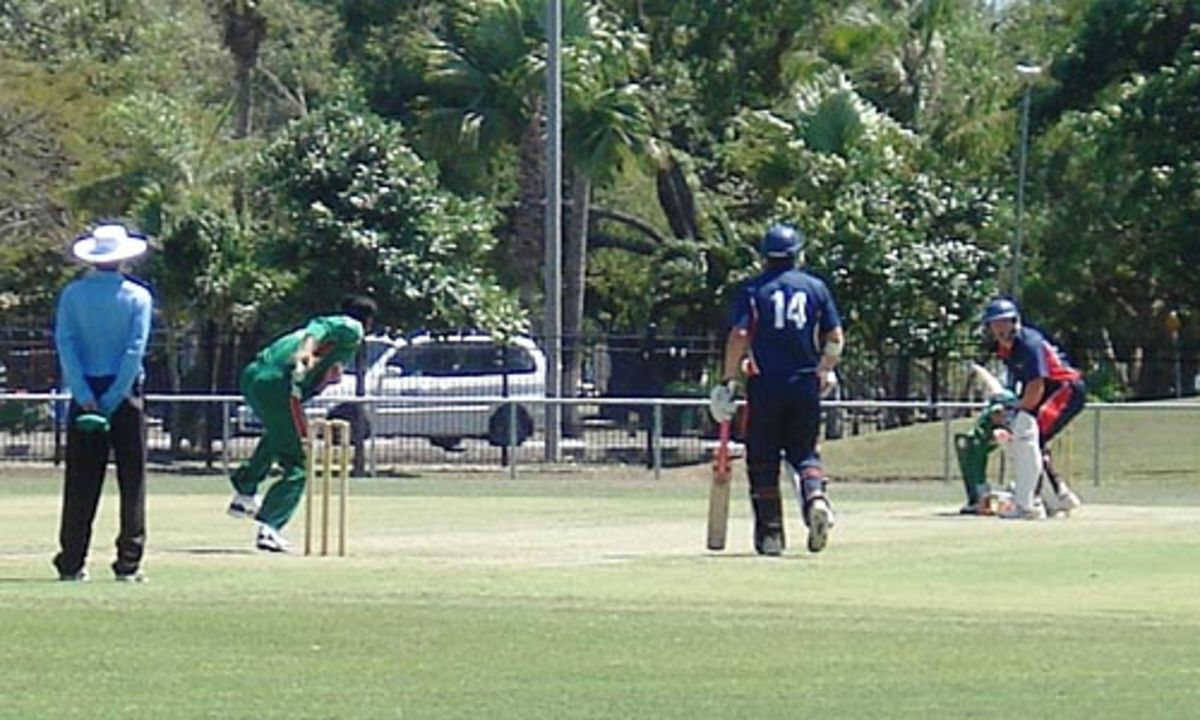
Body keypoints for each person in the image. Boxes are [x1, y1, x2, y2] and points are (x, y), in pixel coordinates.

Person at [708, 223, 844, 555]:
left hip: (765, 385)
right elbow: (835, 338)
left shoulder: (753, 290)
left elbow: (740, 336)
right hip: (805, 385)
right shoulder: (816, 288)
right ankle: (815, 497)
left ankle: (770, 535)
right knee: (804, 452)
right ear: (797, 253)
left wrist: (727, 381)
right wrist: (825, 370)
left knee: (763, 459)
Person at [228, 296, 377, 552]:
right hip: (279, 385)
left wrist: (324, 376)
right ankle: (270, 526)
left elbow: (319, 364)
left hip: (254, 377)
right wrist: (307, 350)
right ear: (370, 321)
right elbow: (320, 326)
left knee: (277, 435)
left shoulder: (332, 343)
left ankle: (245, 491)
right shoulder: (352, 327)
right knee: (298, 464)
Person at [53, 222, 154, 582]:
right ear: (124, 259)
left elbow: (66, 344)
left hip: (84, 393)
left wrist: (83, 394)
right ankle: (129, 561)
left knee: (80, 481)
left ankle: (72, 560)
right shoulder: (138, 297)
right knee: (132, 480)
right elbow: (134, 350)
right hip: (124, 393)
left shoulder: (73, 295)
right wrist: (113, 398)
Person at [981, 297, 1084, 519]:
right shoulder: (1004, 348)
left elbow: (1036, 384)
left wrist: (1019, 409)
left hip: (1064, 390)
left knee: (1029, 439)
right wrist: (1010, 405)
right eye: (994, 324)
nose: (999, 328)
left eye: (1003, 322)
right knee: (1031, 440)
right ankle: (1059, 497)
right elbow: (1024, 384)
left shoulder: (1028, 344)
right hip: (1047, 390)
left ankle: (1032, 502)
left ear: (1014, 321)